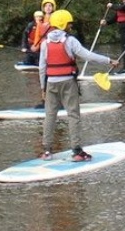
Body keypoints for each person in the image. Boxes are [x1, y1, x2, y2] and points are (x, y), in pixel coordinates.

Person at [38, 9, 112, 160]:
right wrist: (109, 60)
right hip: (67, 82)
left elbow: (42, 68)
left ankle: (46, 151)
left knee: (50, 115)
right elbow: (88, 56)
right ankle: (77, 151)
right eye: (69, 24)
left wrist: (42, 88)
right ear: (64, 24)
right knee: (73, 115)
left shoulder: (45, 42)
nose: (71, 26)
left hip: (51, 83)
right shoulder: (70, 41)